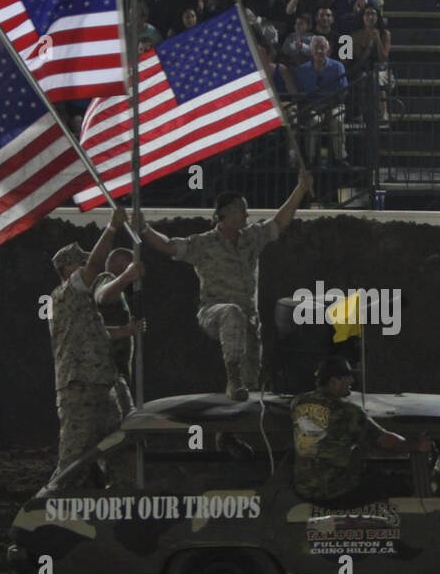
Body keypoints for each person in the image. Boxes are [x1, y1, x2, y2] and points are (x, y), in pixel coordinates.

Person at [133, 170, 315, 401]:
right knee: (231, 313)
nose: (247, 215)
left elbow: (279, 222)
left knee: (248, 388)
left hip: (248, 319)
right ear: (226, 214)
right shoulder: (205, 243)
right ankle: (232, 377)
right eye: (242, 210)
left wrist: (300, 189)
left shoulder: (251, 237)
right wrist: (145, 230)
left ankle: (227, 434)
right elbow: (169, 246)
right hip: (214, 312)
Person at [48, 207, 127, 486]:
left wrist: (125, 331)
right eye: (78, 264)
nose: (84, 268)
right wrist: (112, 228)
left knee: (118, 447)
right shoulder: (67, 293)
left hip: (99, 384)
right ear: (66, 270)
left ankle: (116, 502)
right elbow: (94, 266)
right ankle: (49, 510)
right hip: (79, 387)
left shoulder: (83, 302)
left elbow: (94, 335)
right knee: (73, 457)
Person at [290, 356, 432, 507]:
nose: (351, 381)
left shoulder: (298, 402)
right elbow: (386, 442)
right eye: (347, 377)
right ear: (333, 381)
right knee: (400, 485)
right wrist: (417, 445)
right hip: (335, 492)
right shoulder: (348, 412)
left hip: (304, 488)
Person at [94, 248, 146, 415]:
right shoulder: (106, 279)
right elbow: (103, 296)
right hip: (108, 373)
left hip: (114, 372)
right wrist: (127, 276)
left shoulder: (120, 292)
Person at [294, 34, 349, 166]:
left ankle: (340, 158)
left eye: (323, 47)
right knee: (313, 121)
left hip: (334, 104)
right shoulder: (302, 70)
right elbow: (299, 94)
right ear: (311, 50)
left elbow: (344, 91)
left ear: (328, 49)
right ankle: (310, 159)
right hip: (313, 106)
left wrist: (329, 106)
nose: (319, 51)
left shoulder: (338, 67)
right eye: (316, 47)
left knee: (337, 119)